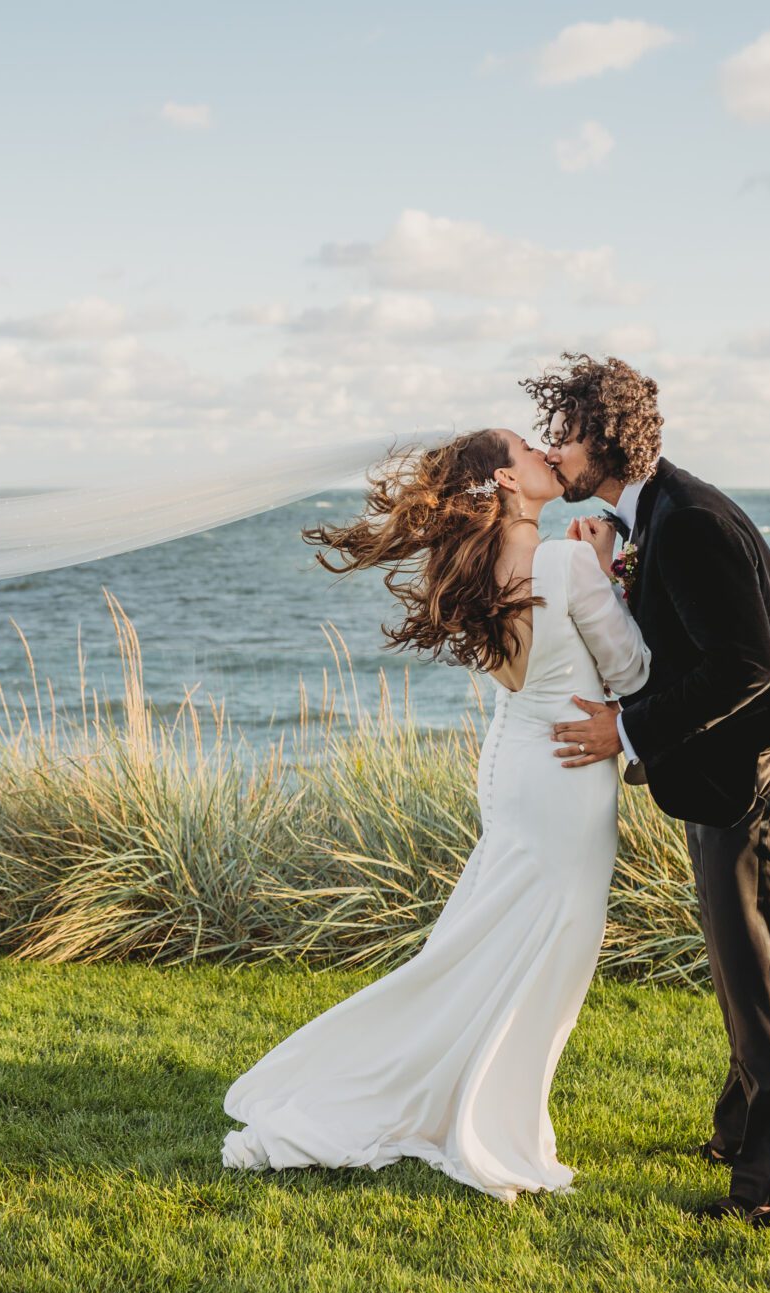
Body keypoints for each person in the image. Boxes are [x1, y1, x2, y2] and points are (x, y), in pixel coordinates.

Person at [220, 426, 649, 1202]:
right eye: (528, 451)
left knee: (490, 940)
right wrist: (610, 572)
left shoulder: (476, 567)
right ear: (506, 483)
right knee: (548, 950)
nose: (545, 454)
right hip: (564, 776)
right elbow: (633, 668)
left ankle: (453, 1091)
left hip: (515, 767)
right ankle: (491, 1117)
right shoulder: (563, 563)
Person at [534, 352, 770, 1227]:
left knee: (765, 977)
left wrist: (625, 730)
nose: (552, 450)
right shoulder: (659, 515)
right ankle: (740, 1129)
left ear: (606, 439)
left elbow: (746, 666)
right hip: (737, 771)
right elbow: (687, 635)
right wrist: (616, 572)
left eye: (563, 434)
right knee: (741, 962)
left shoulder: (691, 522)